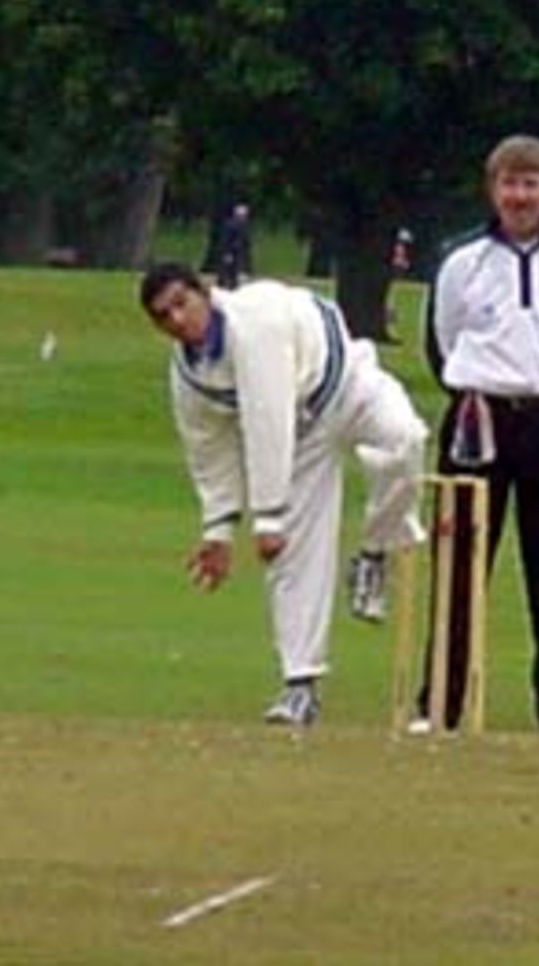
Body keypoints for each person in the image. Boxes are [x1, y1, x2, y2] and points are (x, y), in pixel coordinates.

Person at [139, 263, 428, 726]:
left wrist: (268, 518)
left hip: (349, 385)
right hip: (303, 435)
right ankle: (300, 685)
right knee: (293, 556)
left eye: (181, 303)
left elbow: (266, 415)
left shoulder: (253, 324)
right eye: (163, 316)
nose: (176, 319)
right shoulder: (188, 376)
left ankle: (374, 553)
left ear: (206, 293)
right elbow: (208, 450)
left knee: (405, 440)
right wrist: (218, 531)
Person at [420, 135, 539, 740]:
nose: (519, 196)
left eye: (531, 184)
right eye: (509, 183)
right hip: (478, 420)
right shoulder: (463, 261)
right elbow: (442, 341)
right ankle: (441, 702)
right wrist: (483, 394)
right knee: (459, 567)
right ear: (493, 189)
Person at [214, 202, 254, 289]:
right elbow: (225, 240)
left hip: (240, 254)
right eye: (243, 215)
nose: (245, 217)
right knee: (229, 273)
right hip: (232, 253)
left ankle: (234, 286)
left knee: (237, 274)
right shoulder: (230, 225)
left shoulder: (245, 225)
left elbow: (245, 242)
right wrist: (227, 253)